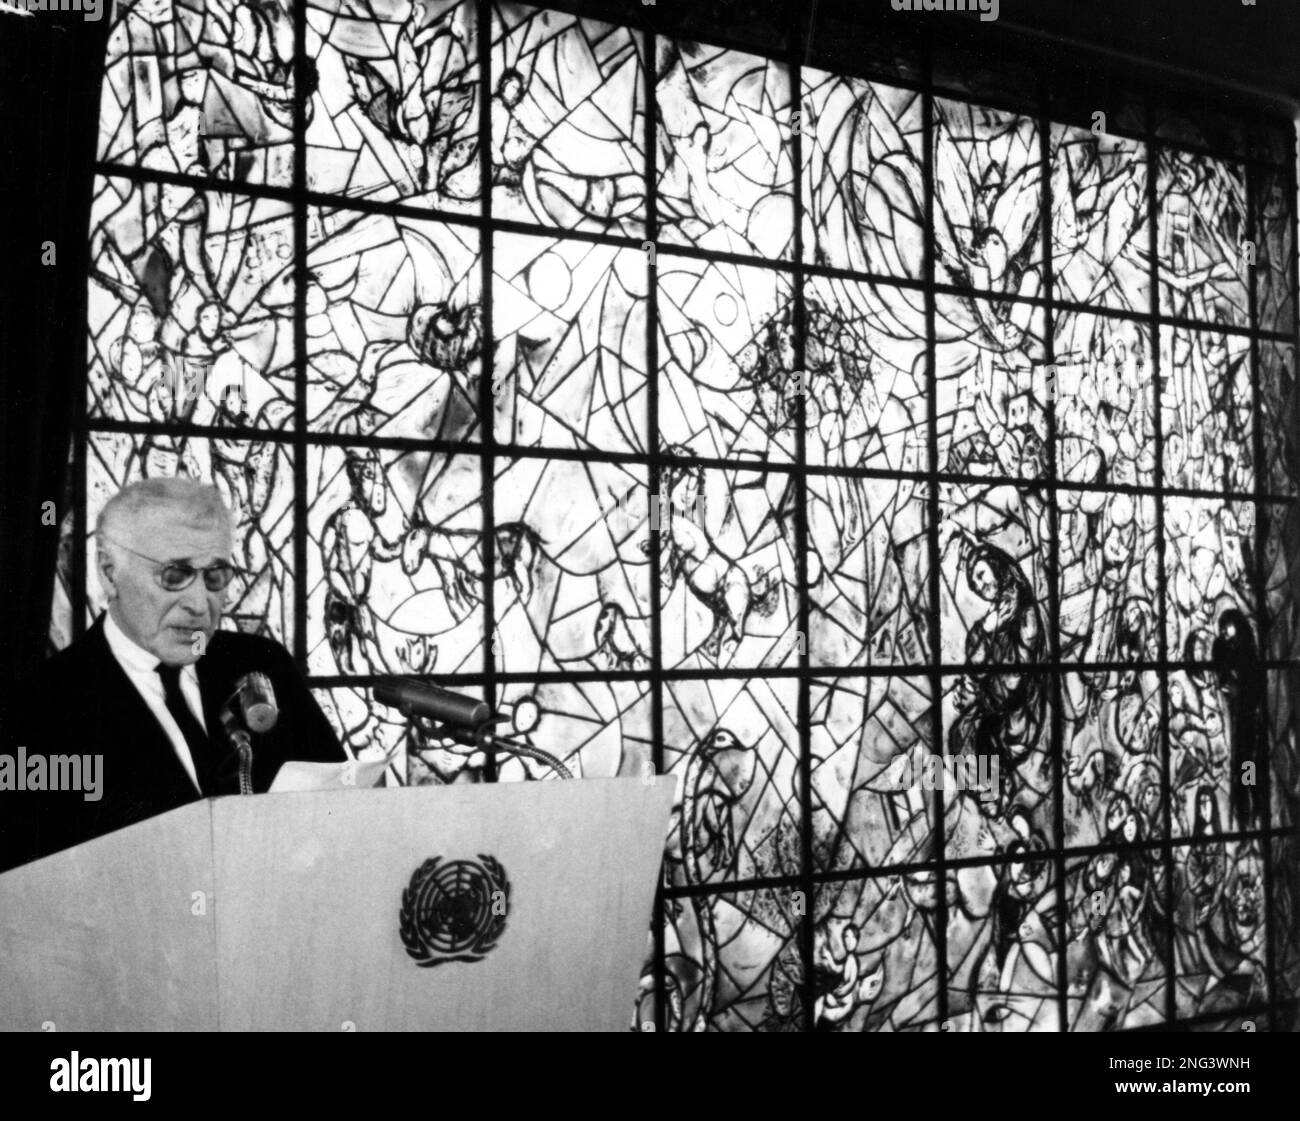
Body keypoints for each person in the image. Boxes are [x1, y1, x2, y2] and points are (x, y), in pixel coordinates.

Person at [4, 478, 343, 868]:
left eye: (215, 576)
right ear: (109, 573)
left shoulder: (262, 664)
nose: (200, 604)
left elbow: (346, 809)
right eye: (174, 576)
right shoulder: (39, 710)